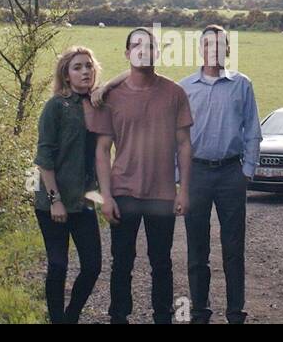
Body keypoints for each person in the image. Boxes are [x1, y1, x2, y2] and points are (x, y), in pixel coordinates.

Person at [95, 25, 259, 323]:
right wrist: (107, 195)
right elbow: (107, 146)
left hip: (215, 177)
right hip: (166, 181)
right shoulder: (176, 88)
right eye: (208, 45)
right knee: (180, 253)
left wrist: (245, 172)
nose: (214, 51)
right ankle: (192, 312)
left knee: (222, 250)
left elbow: (248, 133)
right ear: (200, 50)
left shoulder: (229, 86)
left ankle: (230, 313)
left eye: (220, 45)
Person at [87, 27, 194, 324]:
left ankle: (163, 317)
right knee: (122, 262)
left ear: (157, 53)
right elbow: (102, 150)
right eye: (135, 45)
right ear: (127, 53)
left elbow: (185, 145)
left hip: (162, 194)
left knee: (161, 264)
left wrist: (183, 190)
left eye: (148, 46)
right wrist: (105, 197)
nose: (142, 51)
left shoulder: (175, 93)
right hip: (123, 192)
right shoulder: (112, 97)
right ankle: (118, 316)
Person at [33, 46, 103, 324]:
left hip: (84, 200)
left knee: (93, 266)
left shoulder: (98, 105)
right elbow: (44, 157)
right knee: (58, 265)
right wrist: (55, 199)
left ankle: (70, 317)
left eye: (89, 66)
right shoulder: (56, 106)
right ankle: (56, 319)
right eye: (77, 67)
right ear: (66, 74)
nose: (85, 71)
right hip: (53, 202)